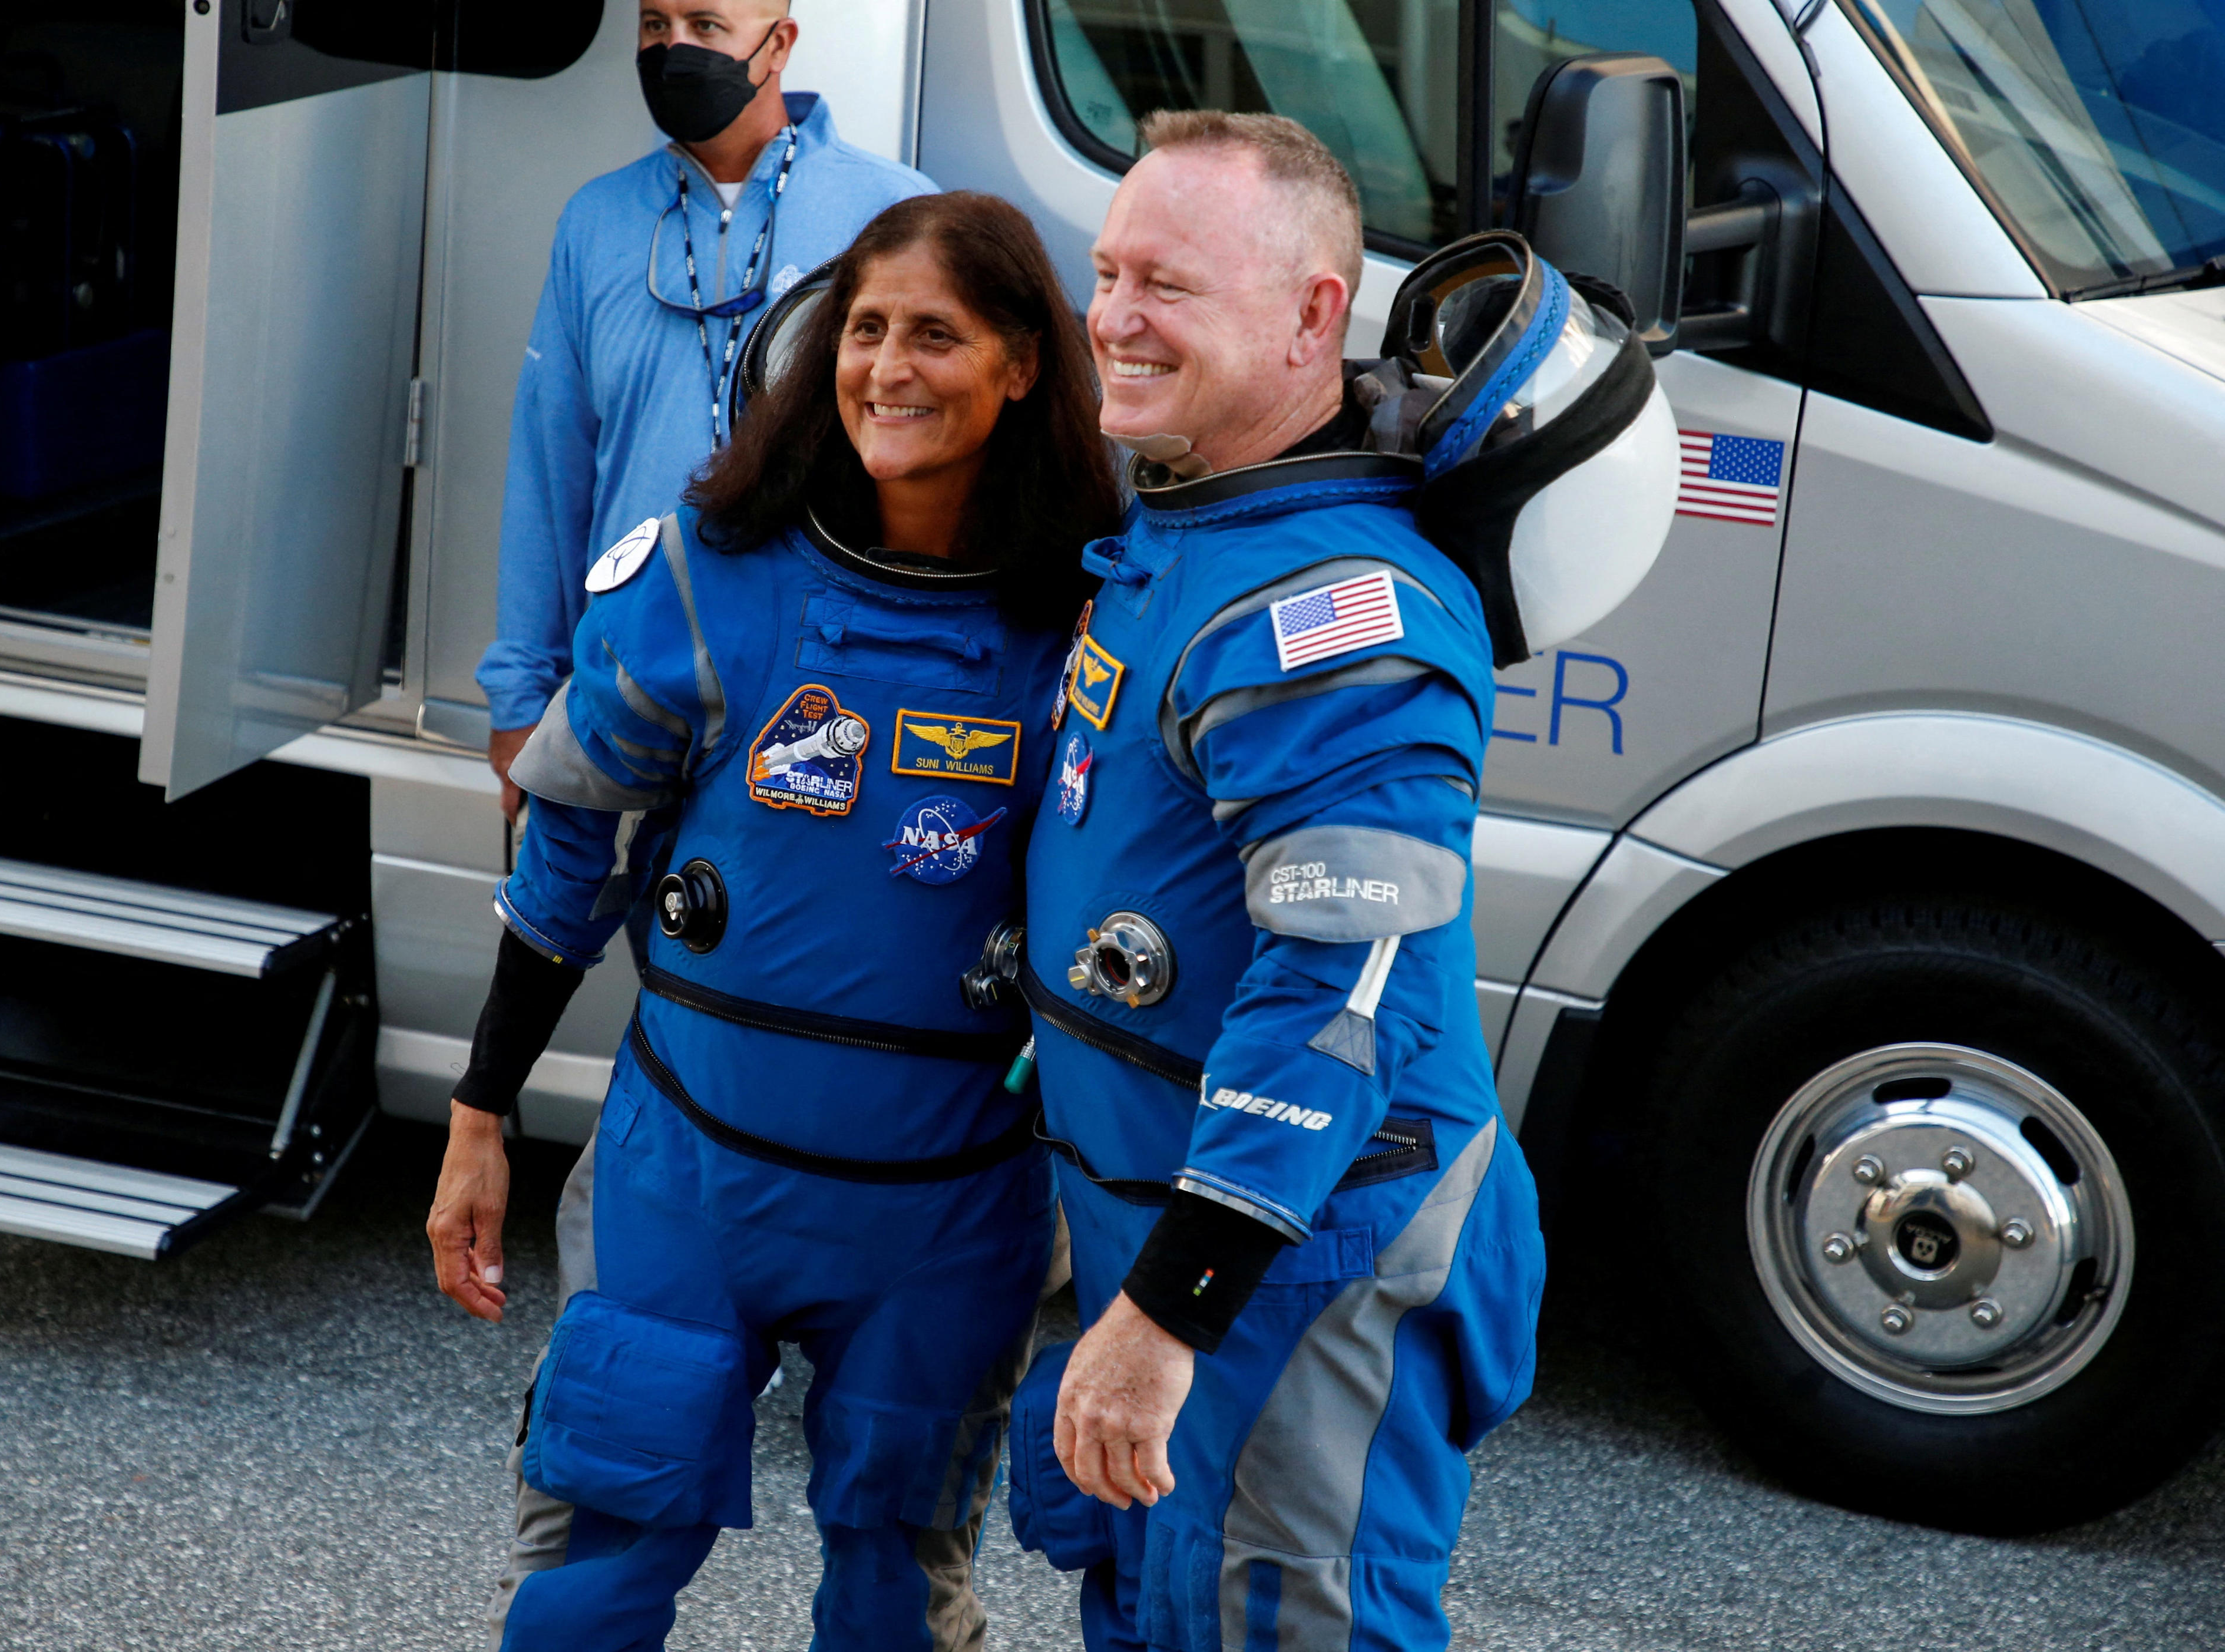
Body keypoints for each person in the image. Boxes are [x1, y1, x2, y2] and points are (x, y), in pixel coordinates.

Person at [424, 191, 1122, 1651]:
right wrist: (481, 1112)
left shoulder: (1099, 614)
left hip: (951, 1204)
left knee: (896, 1601)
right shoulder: (706, 571)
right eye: (867, 330)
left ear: (1021, 367)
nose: (890, 367)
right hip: (695, 1172)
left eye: (937, 333)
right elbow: (572, 857)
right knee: (591, 1582)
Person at [1001, 113, 1550, 1650]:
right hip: (1187, 1232)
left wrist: (1170, 1303)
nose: (1109, 315)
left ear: (1314, 316)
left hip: (1302, 1269)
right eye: (1105, 272)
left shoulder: (1336, 615)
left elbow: (1341, 988)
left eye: (1163, 283)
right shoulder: (1192, 518)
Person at [478, 0, 933, 818]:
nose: (673, 49)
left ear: (778, 44)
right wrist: (519, 697)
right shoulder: (595, 220)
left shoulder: (894, 218)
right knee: (576, 930)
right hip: (623, 679)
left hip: (813, 688)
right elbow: (550, 466)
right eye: (655, 27)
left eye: (704, 26)